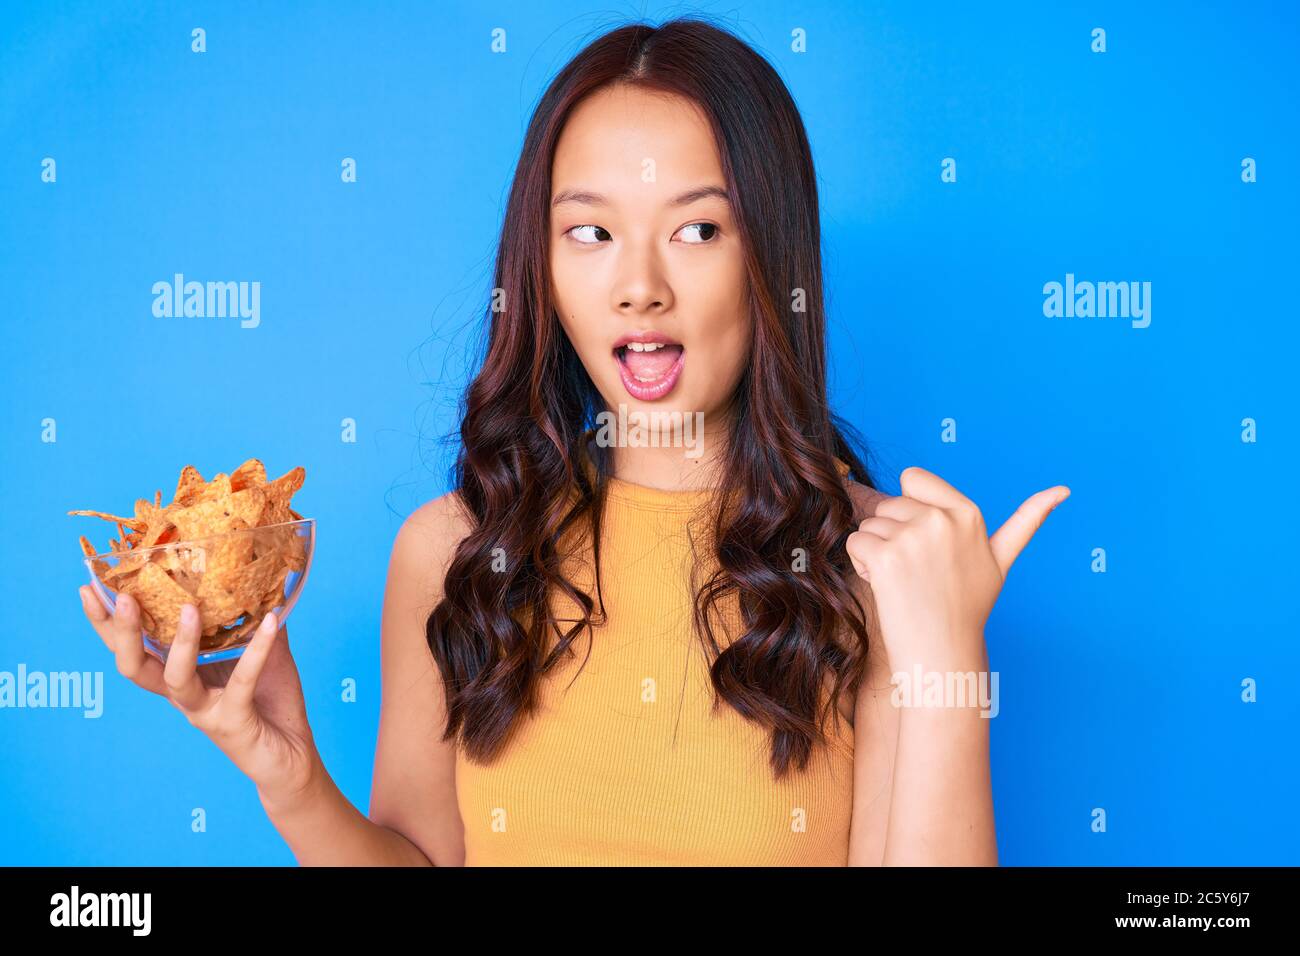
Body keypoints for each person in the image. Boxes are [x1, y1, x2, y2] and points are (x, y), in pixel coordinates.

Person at [78, 17, 1067, 866]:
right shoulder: (453, 550)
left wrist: (945, 649)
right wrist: (286, 771)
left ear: (771, 253)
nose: (638, 283)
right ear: (540, 263)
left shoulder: (880, 565)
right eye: (590, 233)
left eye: (698, 230)